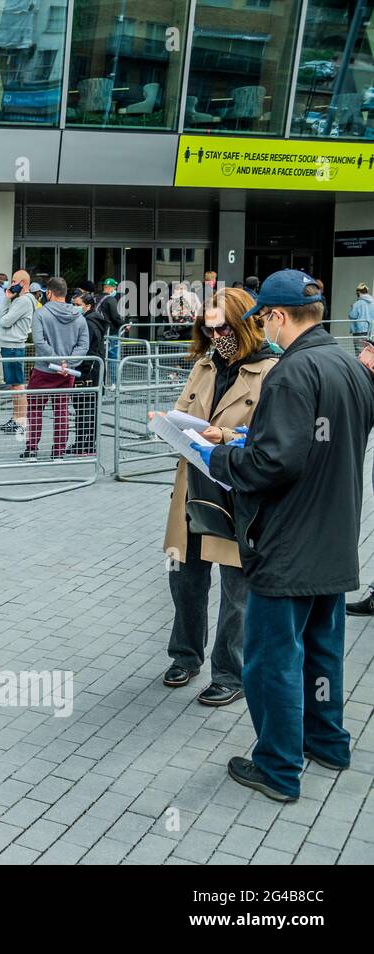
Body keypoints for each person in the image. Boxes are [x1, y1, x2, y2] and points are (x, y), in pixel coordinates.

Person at [199, 270, 373, 802]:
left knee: (272, 657)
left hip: (288, 543)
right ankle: (328, 741)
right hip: (335, 535)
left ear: (275, 316)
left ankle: (276, 766)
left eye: (263, 318)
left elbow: (275, 462)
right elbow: (324, 441)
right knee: (322, 648)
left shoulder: (291, 372)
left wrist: (222, 457)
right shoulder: (349, 364)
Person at [159, 288, 275, 706]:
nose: (215, 336)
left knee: (235, 589)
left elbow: (269, 438)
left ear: (244, 323)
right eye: (207, 329)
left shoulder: (270, 369)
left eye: (222, 327)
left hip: (235, 491)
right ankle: (185, 655)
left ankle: (229, 671)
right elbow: (184, 408)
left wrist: (222, 436)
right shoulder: (206, 364)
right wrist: (169, 423)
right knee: (184, 578)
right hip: (193, 486)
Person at [22, 278, 88, 461]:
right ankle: (58, 451)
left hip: (44, 369)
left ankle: (32, 449)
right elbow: (83, 344)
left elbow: (39, 342)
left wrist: (57, 361)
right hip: (68, 373)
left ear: (49, 293)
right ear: (65, 293)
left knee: (35, 410)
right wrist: (68, 363)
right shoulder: (79, 316)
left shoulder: (40, 314)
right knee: (62, 412)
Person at [66, 289, 105, 456]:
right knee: (85, 408)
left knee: (85, 408)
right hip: (90, 370)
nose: (74, 307)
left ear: (88, 306)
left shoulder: (88, 323)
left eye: (77, 305)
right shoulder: (90, 320)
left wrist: (80, 369)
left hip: (87, 371)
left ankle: (85, 444)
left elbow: (88, 349)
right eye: (72, 304)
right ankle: (83, 443)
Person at [0, 270, 35, 434]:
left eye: (14, 281)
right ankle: (16, 418)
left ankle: (20, 420)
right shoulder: (20, 299)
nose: (11, 284)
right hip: (10, 344)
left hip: (13, 345)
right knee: (14, 384)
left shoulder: (23, 301)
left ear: (23, 283)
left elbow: (4, 321)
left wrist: (7, 299)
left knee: (18, 385)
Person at [346, 282, 374, 356]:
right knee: (369, 351)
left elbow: (352, 315)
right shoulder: (372, 302)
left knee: (360, 352)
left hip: (359, 331)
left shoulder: (357, 303)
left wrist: (352, 308)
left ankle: (360, 367)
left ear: (358, 293)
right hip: (371, 331)